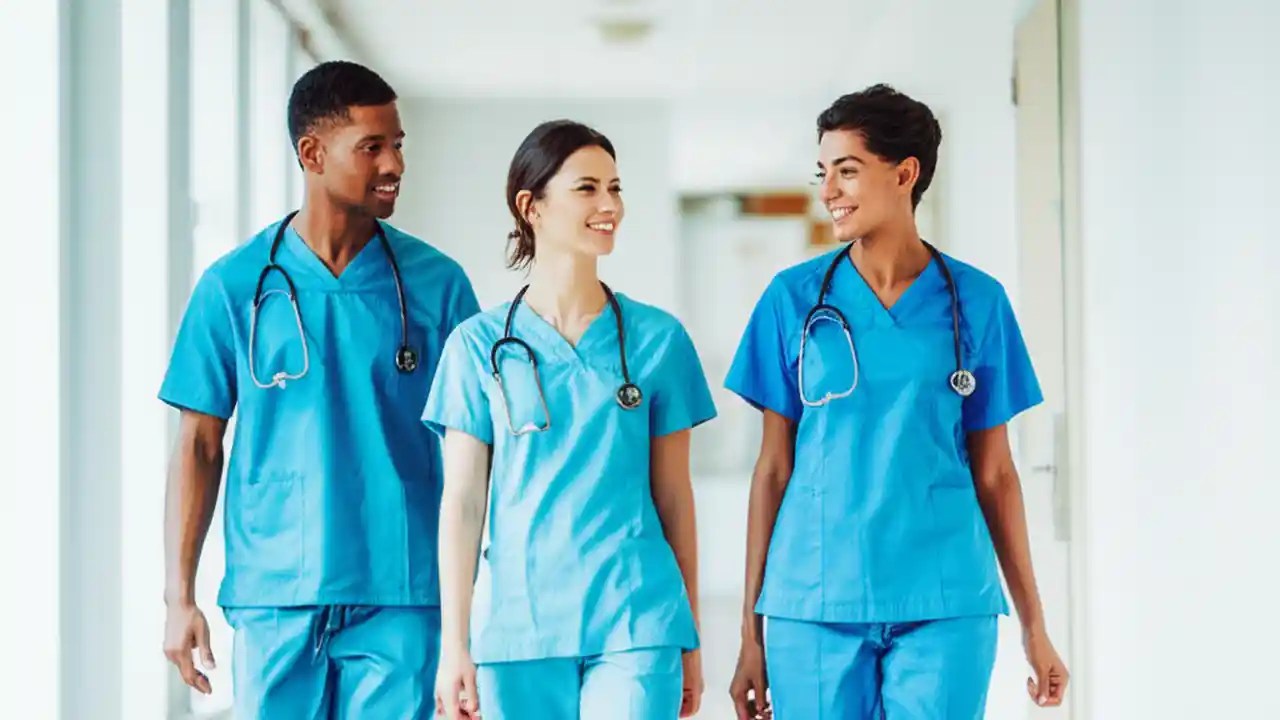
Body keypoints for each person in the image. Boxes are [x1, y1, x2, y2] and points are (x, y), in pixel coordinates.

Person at [725, 84, 1070, 719]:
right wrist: (748, 635)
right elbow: (772, 468)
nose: (828, 190)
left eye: (847, 171)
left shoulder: (977, 302)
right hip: (815, 601)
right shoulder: (792, 299)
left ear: (904, 173)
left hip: (944, 599)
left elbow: (996, 472)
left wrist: (1034, 626)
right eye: (822, 172)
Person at [158, 60, 479, 719]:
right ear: (311, 153)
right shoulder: (234, 286)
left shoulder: (438, 286)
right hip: (277, 588)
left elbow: (477, 448)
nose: (394, 163)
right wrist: (178, 597)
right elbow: (198, 447)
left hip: (403, 587)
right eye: (372, 146)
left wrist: (473, 607)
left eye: (398, 145)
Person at [423, 119, 714, 720]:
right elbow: (463, 505)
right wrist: (454, 645)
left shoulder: (658, 341)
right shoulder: (476, 347)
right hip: (517, 623)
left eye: (616, 187)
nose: (610, 205)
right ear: (531, 206)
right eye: (588, 189)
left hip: (638, 615)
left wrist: (691, 636)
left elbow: (675, 500)